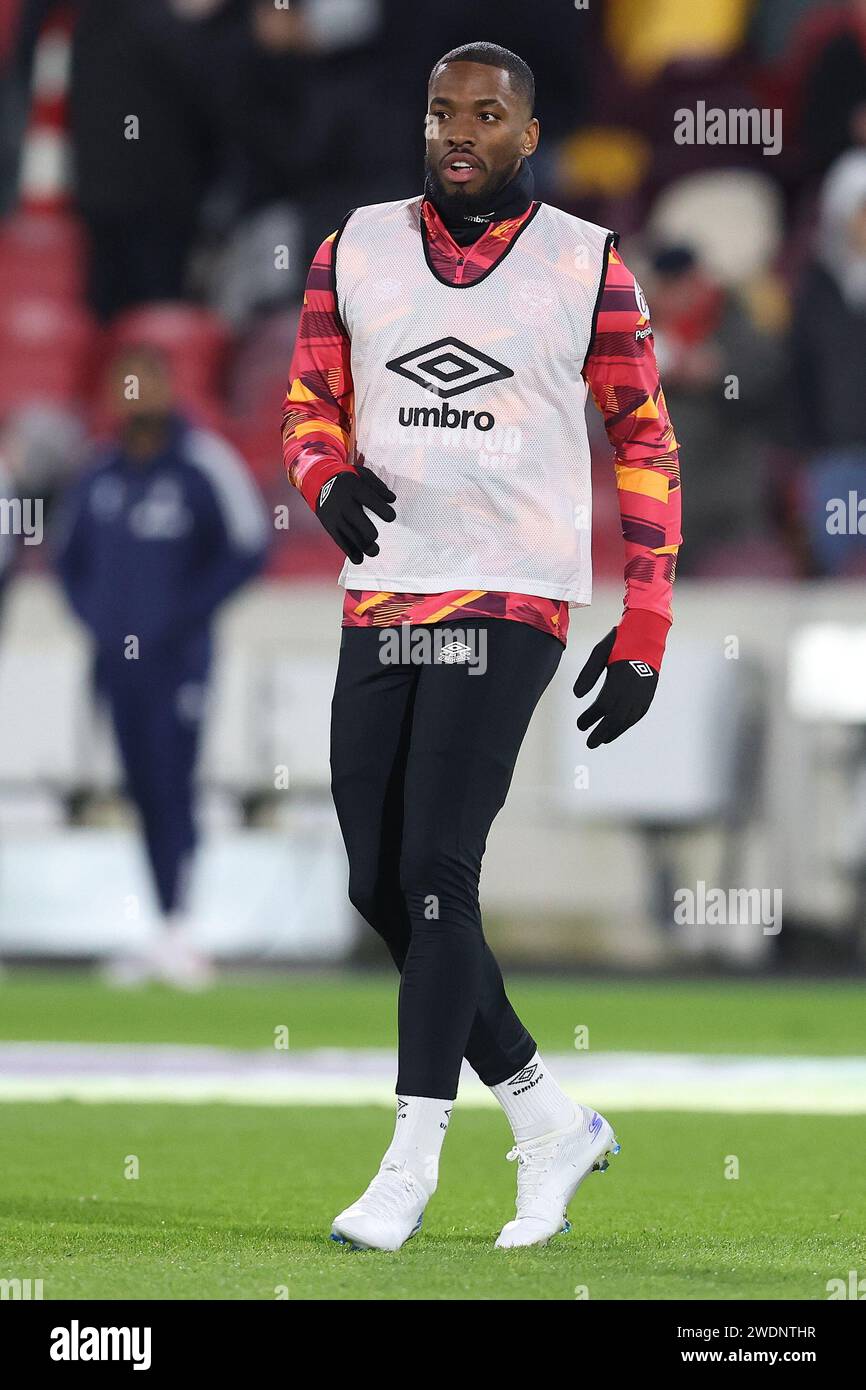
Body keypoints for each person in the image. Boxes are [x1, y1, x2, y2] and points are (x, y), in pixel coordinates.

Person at [281, 42, 682, 1251]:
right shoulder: (351, 243)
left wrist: (646, 618)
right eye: (441, 110)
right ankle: (547, 1116)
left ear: (528, 131)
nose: (458, 130)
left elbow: (646, 441)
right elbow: (308, 392)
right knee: (375, 881)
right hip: (385, 591)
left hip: (510, 592)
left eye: (485, 114)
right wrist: (323, 474)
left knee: (438, 871)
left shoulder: (584, 263)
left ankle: (409, 1163)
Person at [56, 344, 269, 987]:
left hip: (180, 660)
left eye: (145, 380)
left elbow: (250, 545)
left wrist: (183, 616)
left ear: (170, 386)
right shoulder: (99, 474)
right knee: (140, 786)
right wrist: (100, 623)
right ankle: (162, 924)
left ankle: (183, 925)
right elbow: (68, 561)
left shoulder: (203, 464)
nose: (134, 393)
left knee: (176, 779)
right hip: (119, 666)